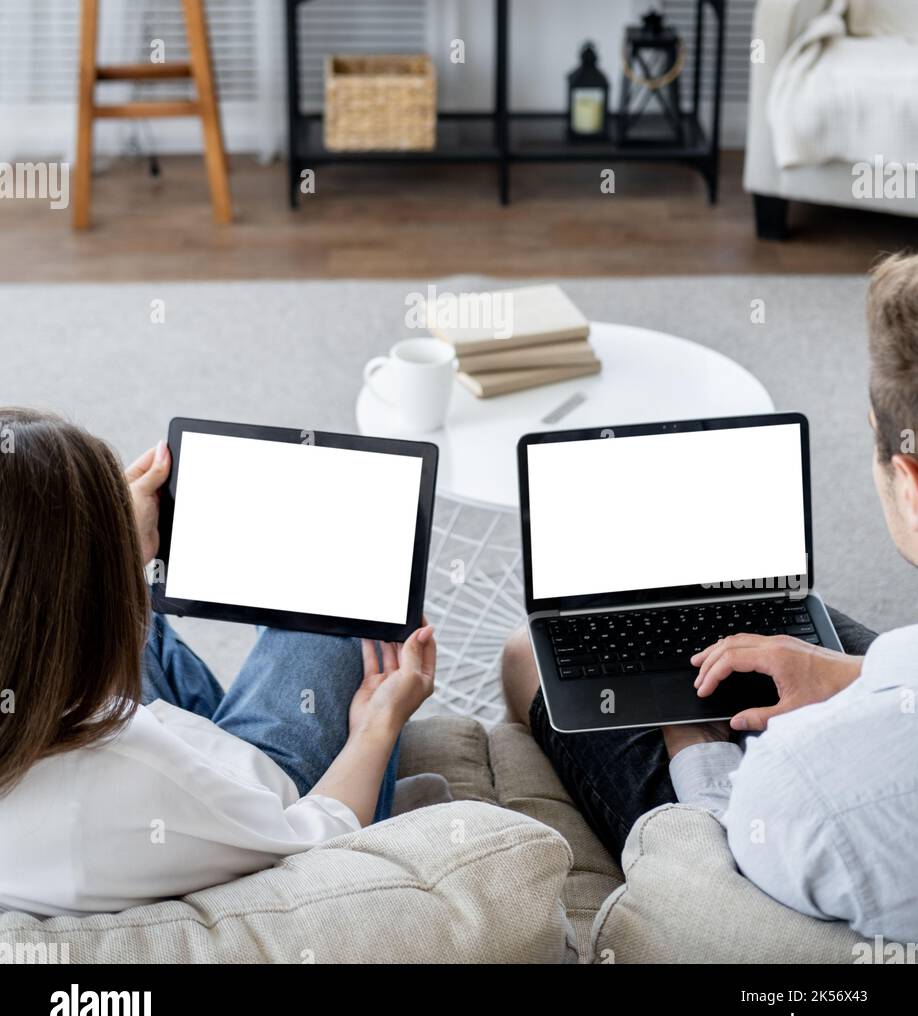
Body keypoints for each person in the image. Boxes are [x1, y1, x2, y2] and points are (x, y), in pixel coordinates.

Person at [502, 252, 918, 942]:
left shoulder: (801, 786)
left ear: (909, 481)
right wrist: (852, 676)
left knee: (526, 652)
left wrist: (687, 724)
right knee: (793, 631)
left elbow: (710, 900)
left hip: (757, 837)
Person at [0, 408, 436, 917]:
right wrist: (377, 726)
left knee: (150, 631)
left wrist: (116, 557)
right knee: (344, 609)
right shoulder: (134, 776)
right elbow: (318, 846)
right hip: (266, 800)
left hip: (126, 771)